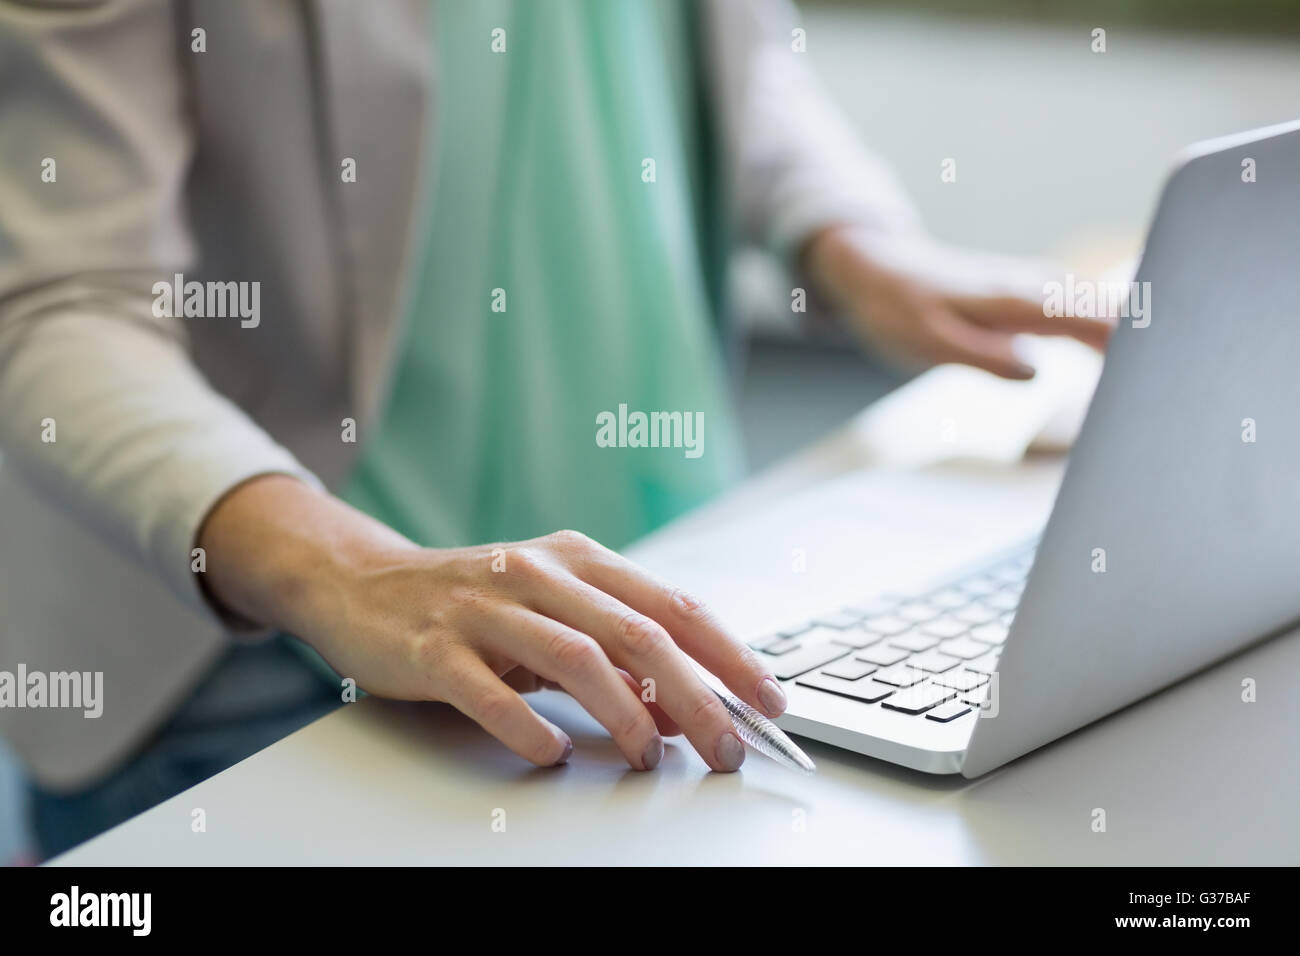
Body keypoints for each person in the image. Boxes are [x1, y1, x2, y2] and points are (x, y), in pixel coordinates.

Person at [0, 0, 1110, 858]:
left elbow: (731, 55)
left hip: (666, 575)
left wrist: (847, 234)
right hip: (254, 651)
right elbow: (59, 302)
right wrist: (347, 572)